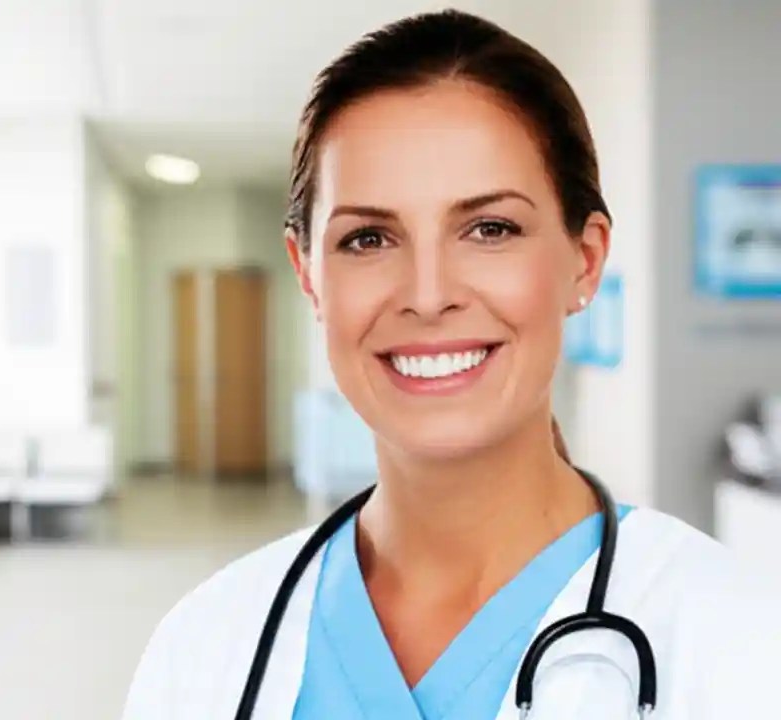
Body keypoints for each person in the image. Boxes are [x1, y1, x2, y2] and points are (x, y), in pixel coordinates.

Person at [123, 9, 777, 720]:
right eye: (369, 238)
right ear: (308, 274)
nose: (428, 296)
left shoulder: (735, 640)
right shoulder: (205, 649)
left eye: (489, 229)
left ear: (584, 261)